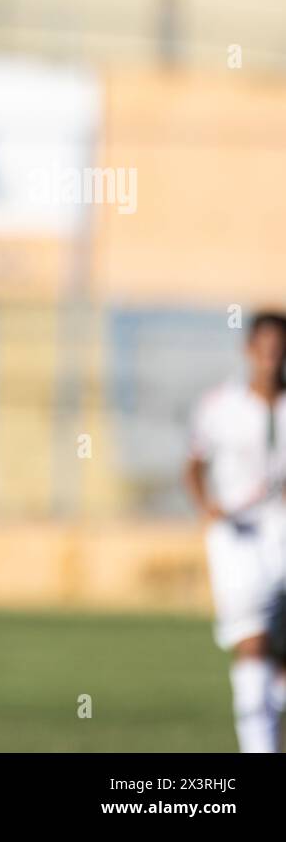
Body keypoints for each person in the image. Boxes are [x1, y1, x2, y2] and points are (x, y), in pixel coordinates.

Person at [185, 310, 286, 752]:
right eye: (263, 346)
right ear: (248, 349)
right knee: (251, 638)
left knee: (276, 656)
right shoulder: (220, 405)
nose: (270, 356)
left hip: (281, 533)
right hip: (237, 536)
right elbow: (194, 462)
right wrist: (207, 505)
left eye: (278, 347)